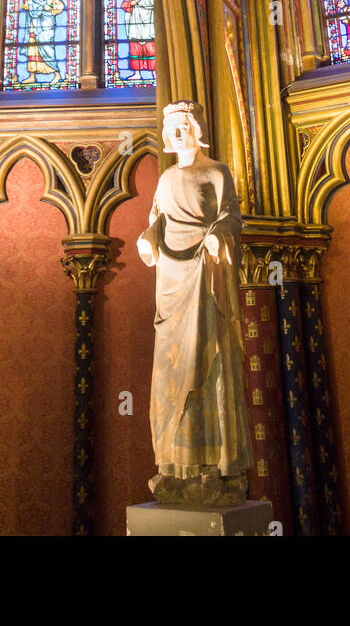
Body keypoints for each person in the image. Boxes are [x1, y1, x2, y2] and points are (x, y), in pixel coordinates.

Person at [137, 100, 252, 505]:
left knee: (209, 360)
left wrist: (221, 234)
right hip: (171, 280)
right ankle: (175, 467)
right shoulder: (167, 177)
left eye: (183, 126)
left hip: (205, 273)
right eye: (171, 129)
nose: (177, 134)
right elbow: (157, 219)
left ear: (196, 128)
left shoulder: (216, 172)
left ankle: (216, 469)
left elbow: (232, 215)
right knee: (172, 369)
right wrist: (147, 238)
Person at [19, 0, 65, 86]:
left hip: (45, 25)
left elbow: (60, 7)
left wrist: (49, 9)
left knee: (47, 49)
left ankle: (57, 74)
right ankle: (32, 75)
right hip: (35, 25)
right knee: (33, 48)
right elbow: (27, 6)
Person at [119, 0, 155, 81]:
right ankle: (137, 74)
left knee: (151, 48)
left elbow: (155, 3)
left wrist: (141, 1)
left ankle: (155, 74)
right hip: (135, 25)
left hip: (149, 24)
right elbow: (124, 5)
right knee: (135, 48)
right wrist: (134, 2)